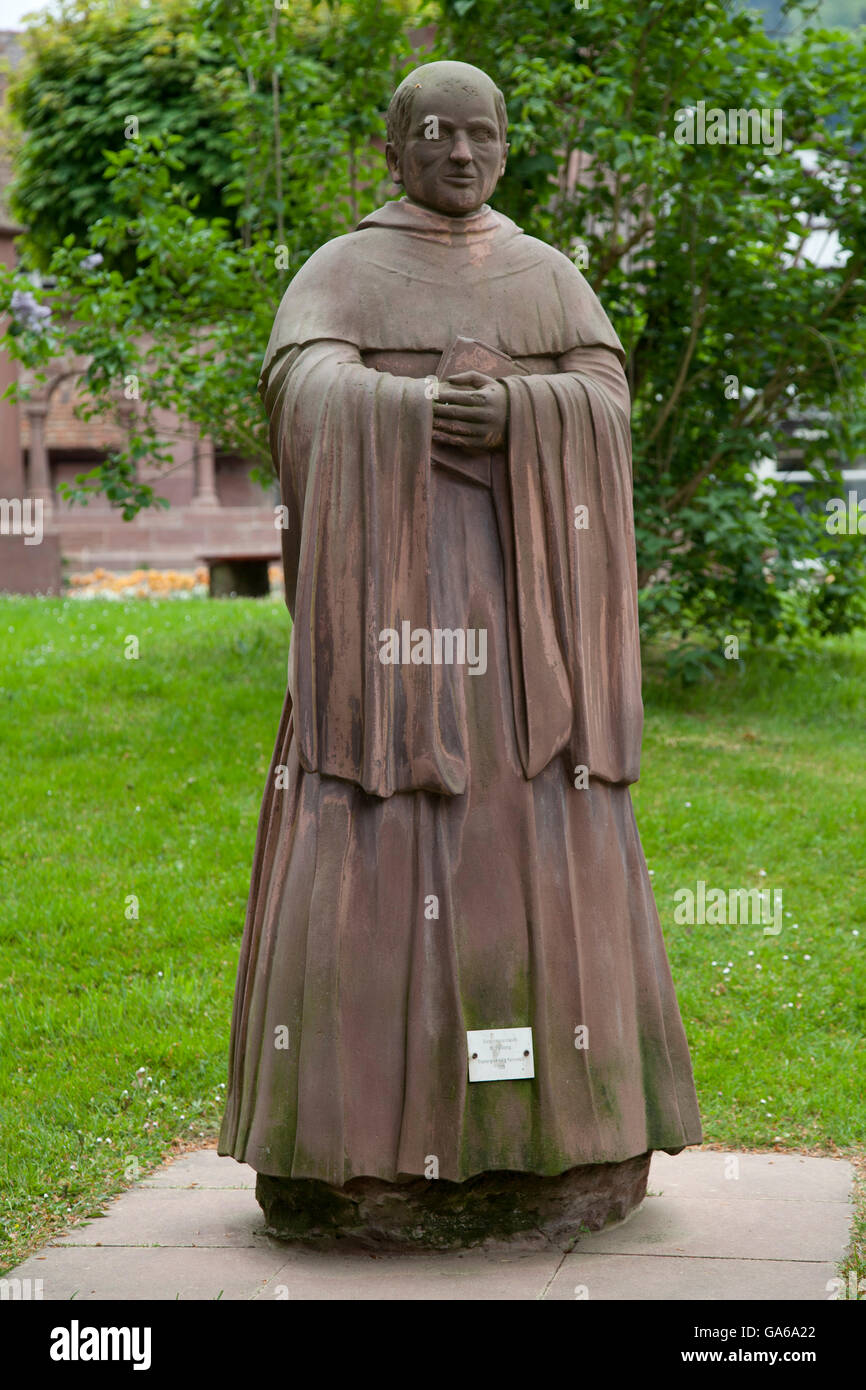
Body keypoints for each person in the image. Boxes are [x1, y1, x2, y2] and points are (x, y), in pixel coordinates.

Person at [218, 60, 702, 1188]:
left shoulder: (543, 273)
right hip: (386, 633)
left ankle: (567, 1140)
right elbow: (302, 390)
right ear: (390, 149)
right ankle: (354, 1151)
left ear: (503, 146)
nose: (459, 153)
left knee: (542, 832)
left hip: (530, 645)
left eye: (480, 135)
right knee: (370, 837)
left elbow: (603, 394)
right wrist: (414, 410)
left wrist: (524, 415)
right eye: (433, 134)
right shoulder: (342, 270)